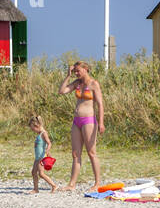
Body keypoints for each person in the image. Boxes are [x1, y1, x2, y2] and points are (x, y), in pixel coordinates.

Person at [59, 61, 104, 190]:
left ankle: (97, 183)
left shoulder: (94, 84)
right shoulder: (77, 83)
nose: (76, 73)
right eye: (75, 71)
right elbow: (62, 91)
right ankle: (72, 184)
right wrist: (68, 76)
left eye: (78, 71)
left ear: (86, 69)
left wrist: (101, 123)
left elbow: (100, 104)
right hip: (76, 121)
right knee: (75, 153)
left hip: (89, 120)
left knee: (91, 152)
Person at [28, 115, 59, 193]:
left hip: (42, 157)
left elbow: (49, 143)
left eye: (33, 128)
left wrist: (47, 151)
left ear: (37, 125)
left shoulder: (43, 133)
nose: (32, 130)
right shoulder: (39, 134)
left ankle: (54, 185)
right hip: (37, 157)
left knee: (41, 174)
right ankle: (36, 189)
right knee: (33, 172)